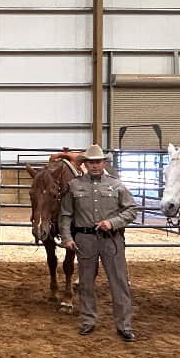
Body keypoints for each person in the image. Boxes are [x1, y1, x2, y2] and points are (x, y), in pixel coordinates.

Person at [59, 144, 138, 342]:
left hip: (111, 239)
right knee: (86, 282)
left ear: (104, 163)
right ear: (85, 164)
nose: (95, 165)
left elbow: (131, 211)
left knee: (119, 282)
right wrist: (67, 237)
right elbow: (66, 214)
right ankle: (88, 320)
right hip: (84, 239)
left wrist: (112, 223)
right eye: (91, 162)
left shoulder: (117, 185)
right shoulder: (75, 186)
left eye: (98, 162)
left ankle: (124, 325)